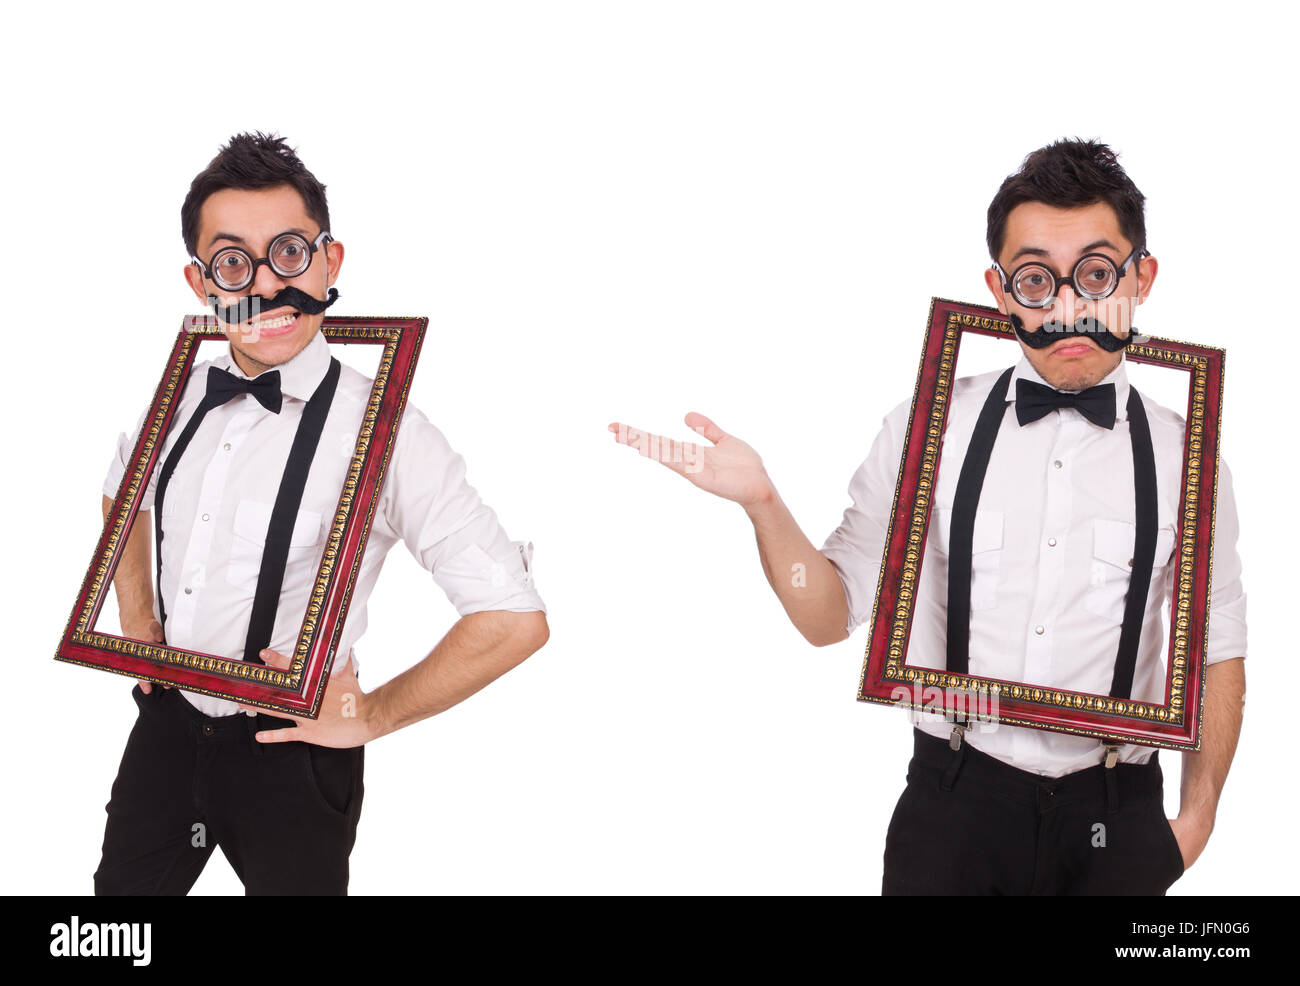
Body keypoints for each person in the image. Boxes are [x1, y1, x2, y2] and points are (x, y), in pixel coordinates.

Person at [609, 138, 1246, 895]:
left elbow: (1218, 651)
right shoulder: (926, 427)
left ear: (1142, 276)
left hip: (1117, 814)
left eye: (1098, 273)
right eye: (1039, 279)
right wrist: (764, 506)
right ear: (1002, 290)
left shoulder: (1192, 460)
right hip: (955, 807)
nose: (1070, 305)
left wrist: (1195, 821)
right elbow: (827, 614)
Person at [94, 132, 549, 895]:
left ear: (330, 263)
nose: (268, 286)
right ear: (201, 281)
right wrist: (139, 616)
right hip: (167, 726)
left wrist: (371, 715)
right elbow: (122, 491)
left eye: (290, 253)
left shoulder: (389, 432)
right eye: (235, 262)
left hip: (295, 752)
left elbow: (513, 616)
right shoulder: (176, 396)